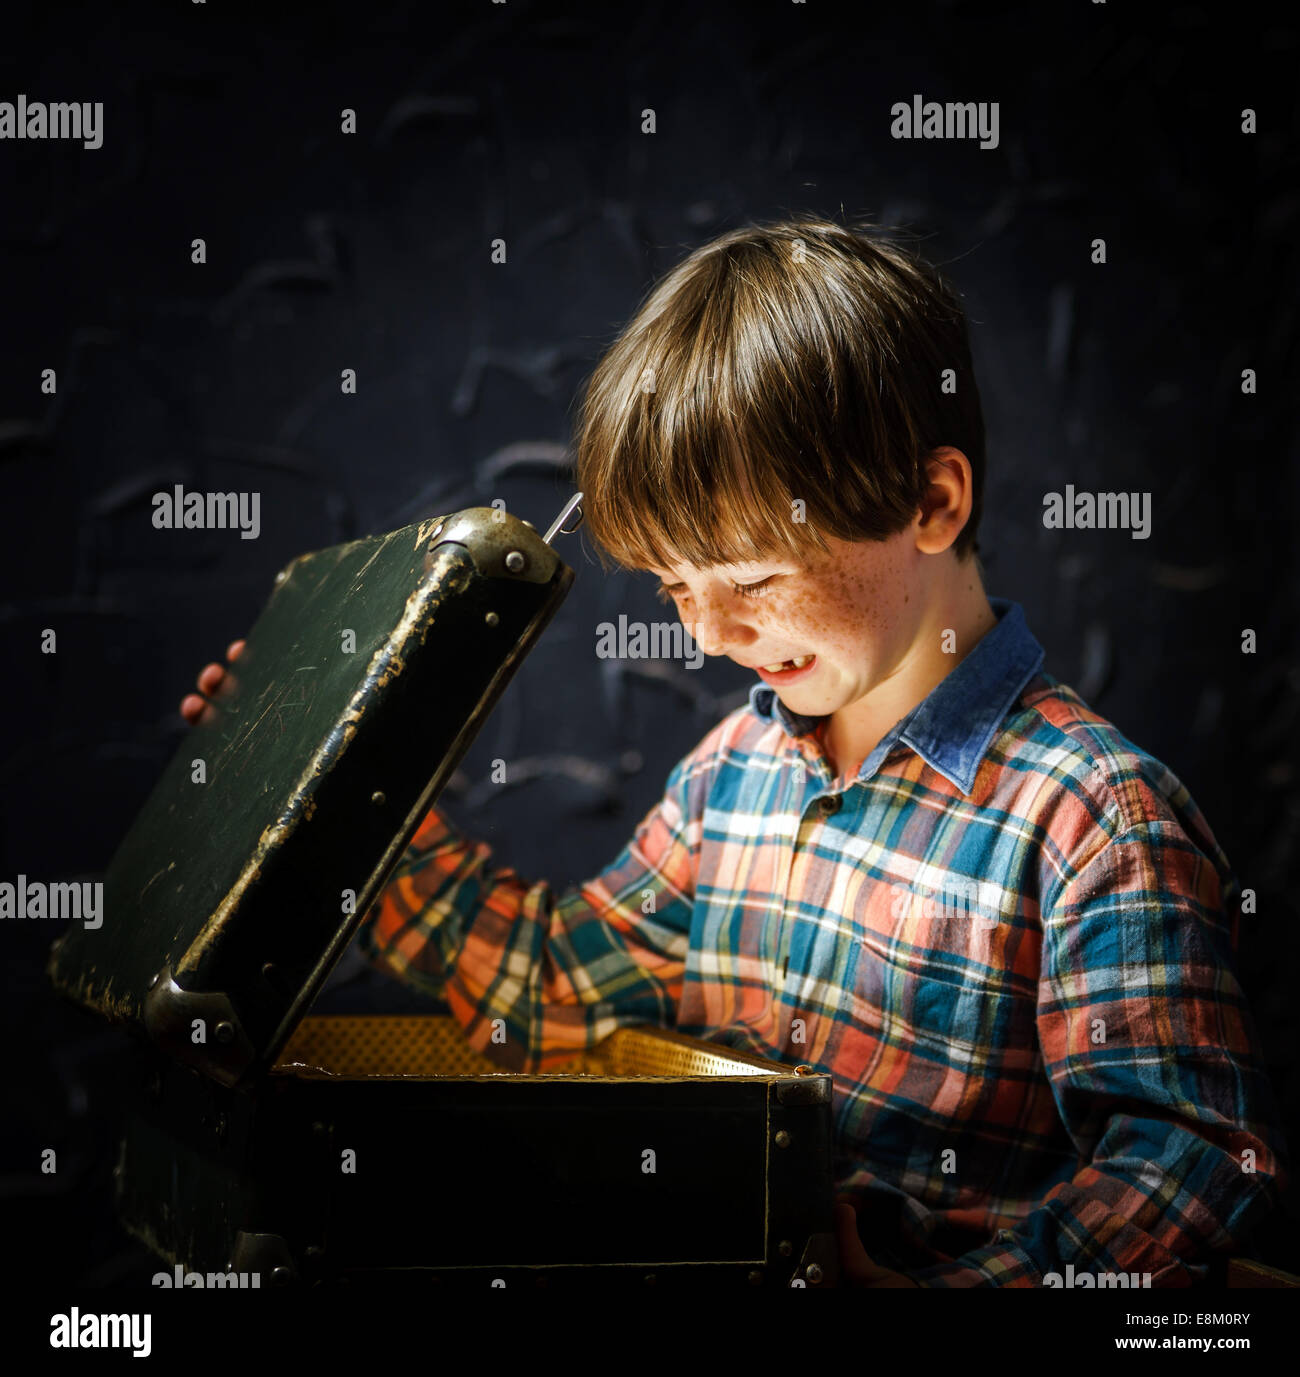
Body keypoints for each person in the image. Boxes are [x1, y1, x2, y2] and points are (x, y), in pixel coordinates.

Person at [182, 216, 1287, 1288]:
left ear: (931, 501)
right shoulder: (730, 777)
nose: (706, 634)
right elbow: (561, 988)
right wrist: (339, 818)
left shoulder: (1094, 817)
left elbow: (1187, 1160)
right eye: (673, 586)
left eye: (750, 578)